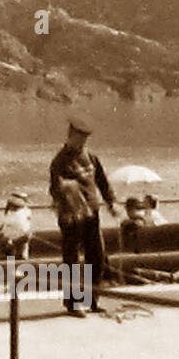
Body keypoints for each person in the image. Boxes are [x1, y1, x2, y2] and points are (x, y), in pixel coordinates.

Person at [48, 115, 116, 317]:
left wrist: (111, 202)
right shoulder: (59, 162)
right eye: (80, 139)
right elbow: (55, 189)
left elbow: (102, 181)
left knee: (97, 255)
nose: (83, 143)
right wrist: (66, 194)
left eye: (85, 140)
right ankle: (72, 303)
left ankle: (92, 299)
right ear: (70, 136)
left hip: (91, 214)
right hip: (71, 217)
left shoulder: (91, 157)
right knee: (71, 259)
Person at [0, 189, 32, 261]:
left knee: (19, 246)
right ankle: (11, 254)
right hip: (13, 235)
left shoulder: (24, 213)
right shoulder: (12, 214)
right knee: (12, 247)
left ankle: (19, 254)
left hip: (20, 234)